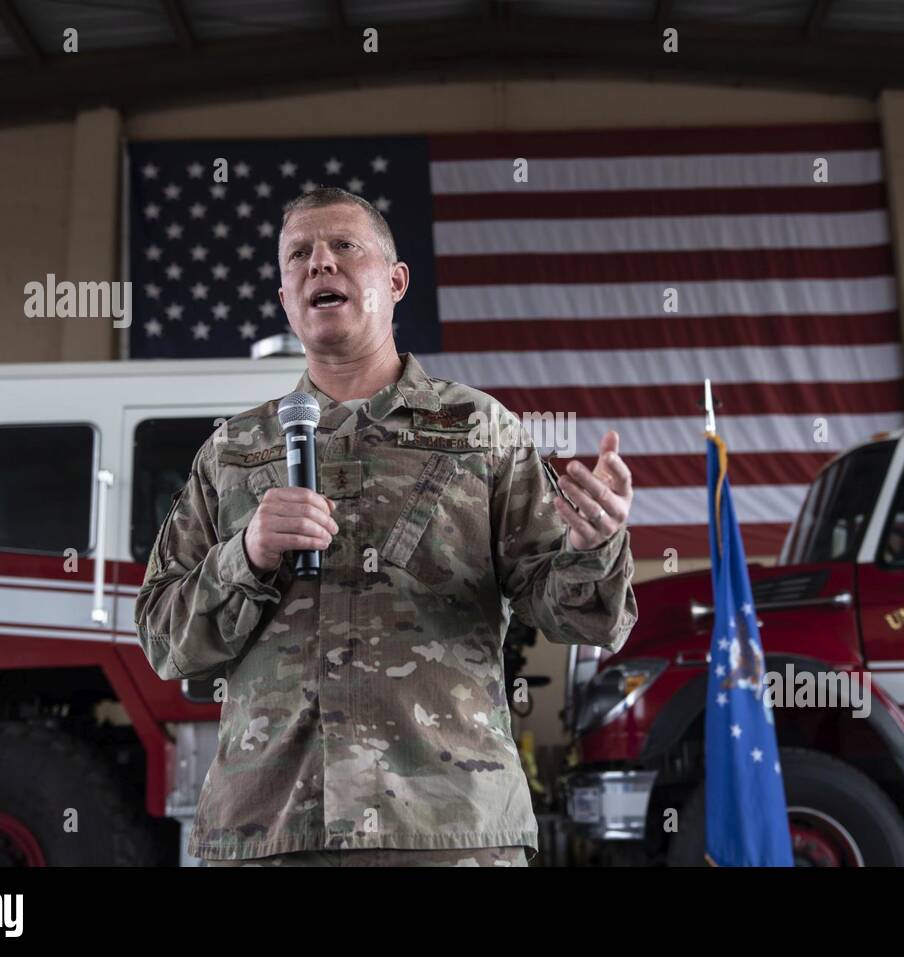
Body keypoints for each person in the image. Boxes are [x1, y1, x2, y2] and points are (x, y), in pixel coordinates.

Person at [134, 187, 637, 867]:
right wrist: (247, 554)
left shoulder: (479, 431)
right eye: (299, 255)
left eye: (344, 246)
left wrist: (593, 546)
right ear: (286, 298)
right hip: (272, 832)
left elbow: (583, 620)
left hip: (448, 831)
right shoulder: (232, 451)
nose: (320, 264)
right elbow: (165, 641)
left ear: (396, 281)